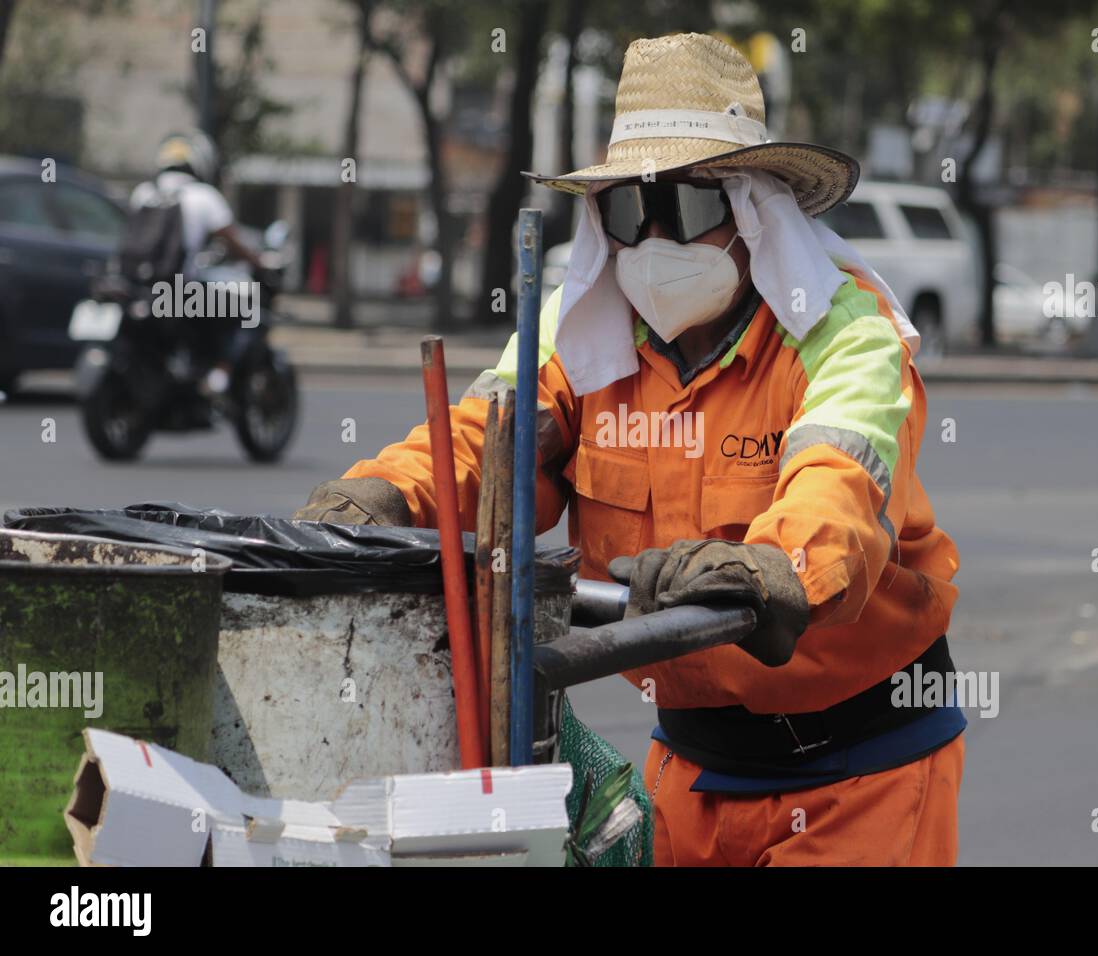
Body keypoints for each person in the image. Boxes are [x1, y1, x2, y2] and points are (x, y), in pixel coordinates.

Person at [294, 32, 965, 867]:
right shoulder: (576, 335)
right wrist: (385, 498)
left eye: (681, 207)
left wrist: (773, 568)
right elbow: (480, 446)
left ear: (750, 206)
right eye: (624, 209)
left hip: (860, 777)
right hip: (692, 773)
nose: (648, 239)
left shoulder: (845, 336)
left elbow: (838, 489)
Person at [128, 130, 264, 393]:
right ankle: (218, 376)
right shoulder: (203, 196)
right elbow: (232, 241)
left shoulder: (143, 192)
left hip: (139, 288)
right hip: (178, 292)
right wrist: (258, 261)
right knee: (243, 307)